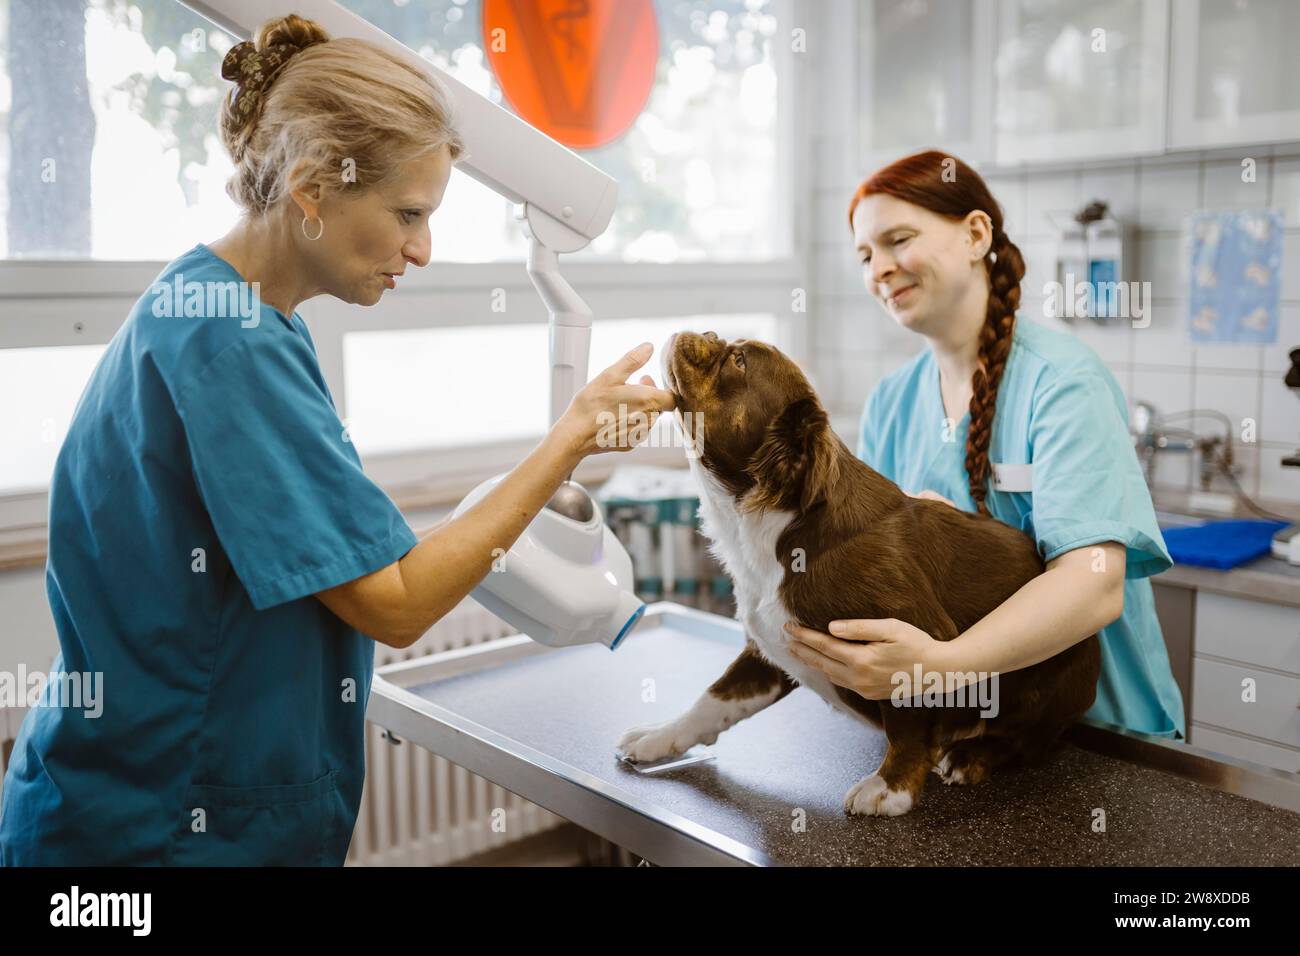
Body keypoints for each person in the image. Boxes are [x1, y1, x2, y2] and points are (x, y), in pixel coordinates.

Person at [0, 13, 674, 865]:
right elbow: (398, 604)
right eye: (407, 213)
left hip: (148, 799)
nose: (421, 249)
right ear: (314, 185)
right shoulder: (229, 346)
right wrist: (569, 439)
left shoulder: (217, 309)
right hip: (156, 828)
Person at [785, 150, 1185, 741]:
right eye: (866, 256)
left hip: (1092, 737)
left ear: (976, 235)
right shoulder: (891, 403)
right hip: (964, 734)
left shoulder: (1062, 381)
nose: (880, 270)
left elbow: (1094, 582)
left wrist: (936, 668)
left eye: (898, 240)